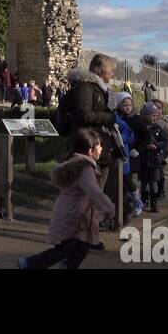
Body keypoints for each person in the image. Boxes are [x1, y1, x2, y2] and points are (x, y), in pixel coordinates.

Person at [18, 129, 116, 269]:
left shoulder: (77, 164)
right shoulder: (84, 169)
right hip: (74, 214)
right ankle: (29, 263)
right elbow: (94, 192)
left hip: (75, 213)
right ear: (90, 150)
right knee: (66, 249)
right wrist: (109, 208)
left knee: (82, 246)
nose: (101, 148)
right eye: (99, 145)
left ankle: (64, 266)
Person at [67, 54, 118, 192]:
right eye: (110, 70)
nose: (112, 73)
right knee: (90, 192)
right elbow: (84, 114)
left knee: (99, 189)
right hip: (88, 144)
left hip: (100, 144)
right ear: (101, 70)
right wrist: (109, 117)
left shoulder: (101, 89)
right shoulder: (86, 87)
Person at [113, 91, 145, 217]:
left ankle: (138, 201)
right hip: (115, 151)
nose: (128, 108)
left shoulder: (135, 119)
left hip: (128, 153)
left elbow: (137, 135)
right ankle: (124, 207)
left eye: (130, 105)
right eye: (125, 105)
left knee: (127, 178)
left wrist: (137, 149)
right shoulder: (115, 116)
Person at [139, 102, 166, 212]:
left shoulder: (159, 128)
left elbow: (164, 142)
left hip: (155, 160)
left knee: (153, 182)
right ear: (145, 116)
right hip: (144, 159)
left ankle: (154, 203)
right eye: (152, 115)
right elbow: (138, 141)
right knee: (144, 183)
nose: (155, 118)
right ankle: (144, 201)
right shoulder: (141, 128)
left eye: (156, 116)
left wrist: (157, 146)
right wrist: (145, 146)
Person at [150, 99, 168, 198]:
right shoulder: (147, 120)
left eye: (160, 108)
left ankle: (161, 190)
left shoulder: (165, 122)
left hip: (162, 153)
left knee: (160, 174)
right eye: (156, 107)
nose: (158, 110)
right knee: (152, 175)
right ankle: (151, 192)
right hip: (150, 154)